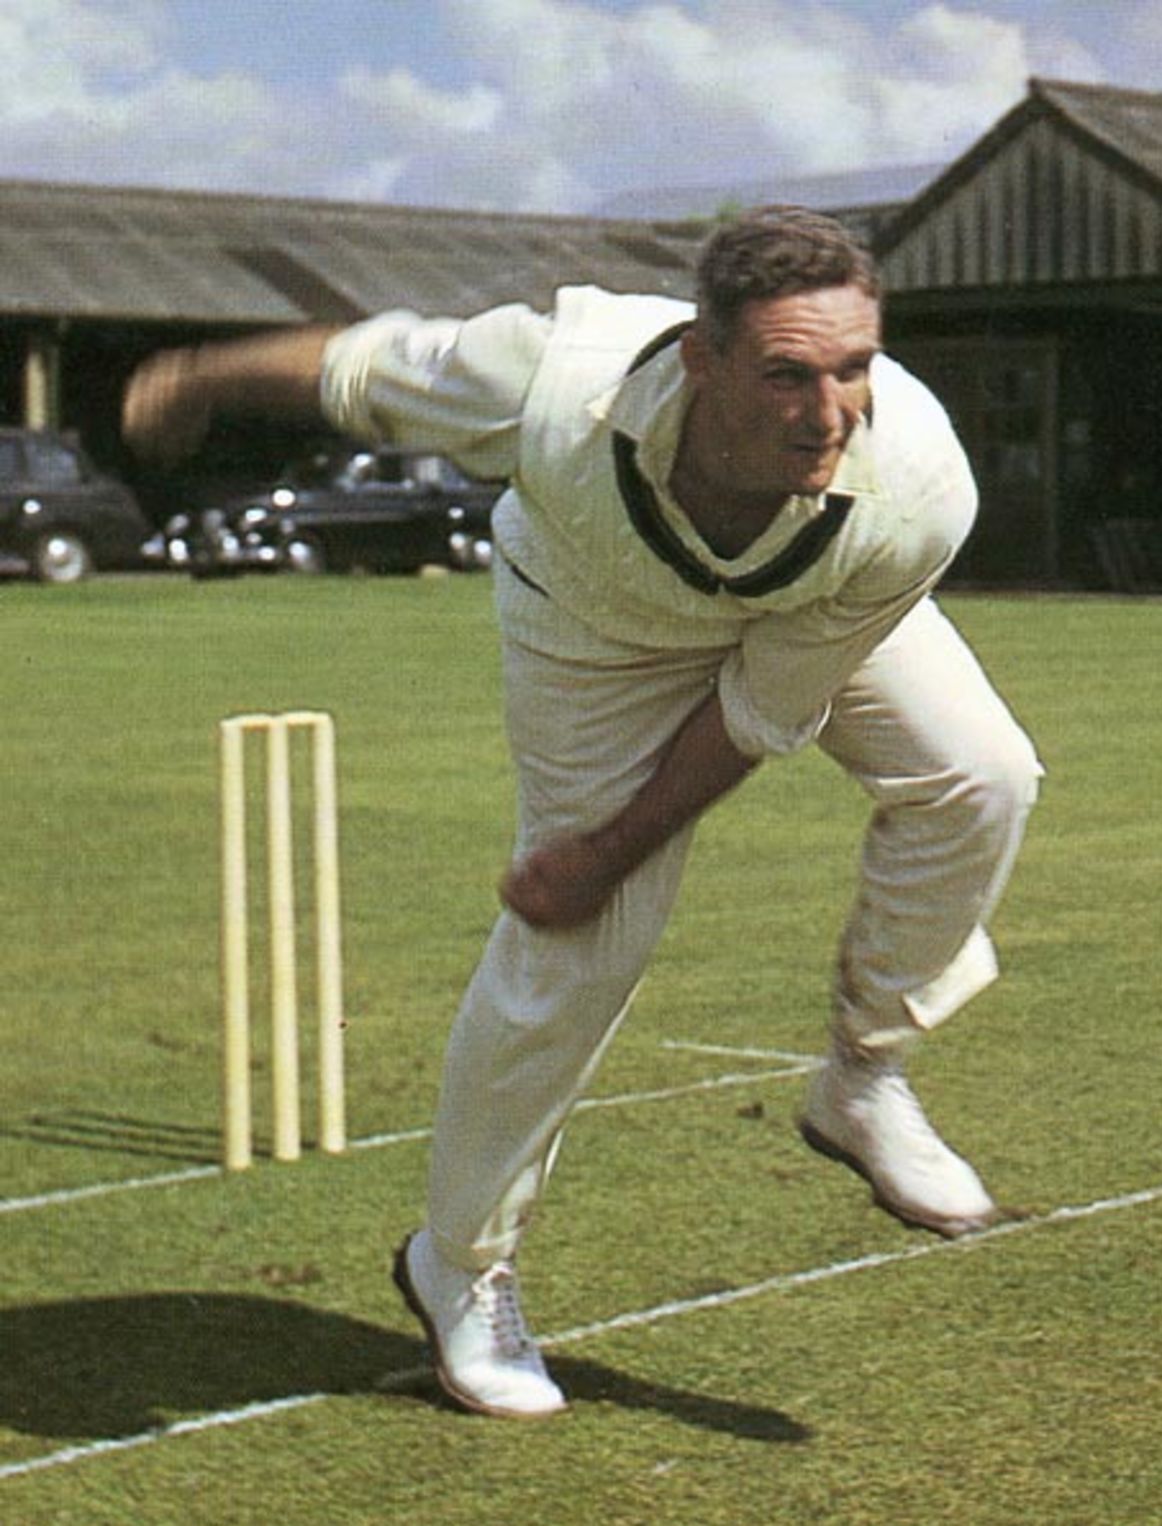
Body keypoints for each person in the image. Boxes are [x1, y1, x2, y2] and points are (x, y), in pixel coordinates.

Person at [123, 207, 1041, 1421]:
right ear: (697, 359)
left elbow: (763, 713)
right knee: (577, 939)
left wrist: (606, 850)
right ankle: (457, 1262)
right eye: (783, 374)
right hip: (594, 631)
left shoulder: (911, 485)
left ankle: (861, 1077)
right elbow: (361, 367)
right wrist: (196, 375)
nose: (826, 414)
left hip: (803, 610)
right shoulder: (542, 380)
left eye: (851, 368)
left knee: (981, 773)